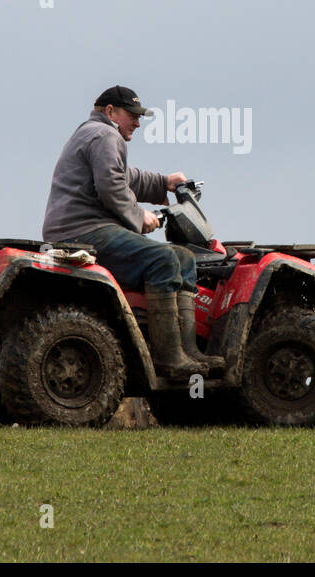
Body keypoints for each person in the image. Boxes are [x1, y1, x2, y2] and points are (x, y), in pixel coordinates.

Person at [42, 85, 221, 378]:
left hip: (79, 228)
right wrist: (141, 218)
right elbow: (112, 187)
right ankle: (170, 359)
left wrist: (165, 182)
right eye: (133, 115)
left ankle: (190, 353)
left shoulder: (92, 133)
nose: (138, 122)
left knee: (184, 259)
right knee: (163, 259)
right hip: (84, 231)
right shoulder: (105, 135)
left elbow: (126, 176)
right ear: (110, 112)